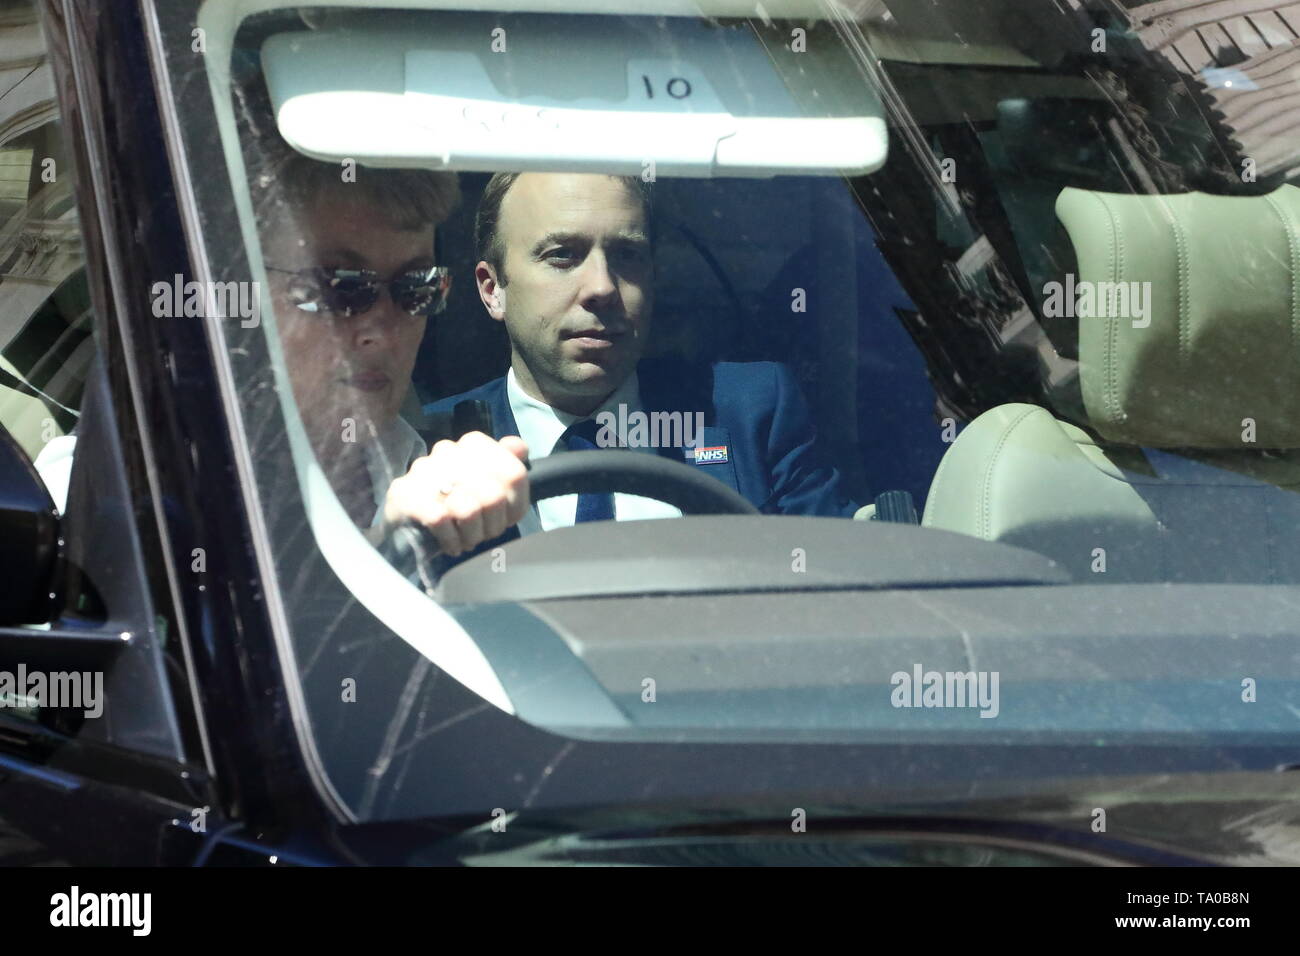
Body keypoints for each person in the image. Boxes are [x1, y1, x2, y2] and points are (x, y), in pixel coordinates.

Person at [426, 171, 857, 552]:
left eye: (626, 255)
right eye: (562, 254)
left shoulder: (752, 412)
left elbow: (842, 583)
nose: (602, 287)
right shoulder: (430, 446)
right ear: (491, 289)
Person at [254, 149, 531, 559]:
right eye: (340, 288)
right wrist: (389, 546)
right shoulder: (195, 489)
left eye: (415, 288)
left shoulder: (424, 463)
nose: (384, 333)